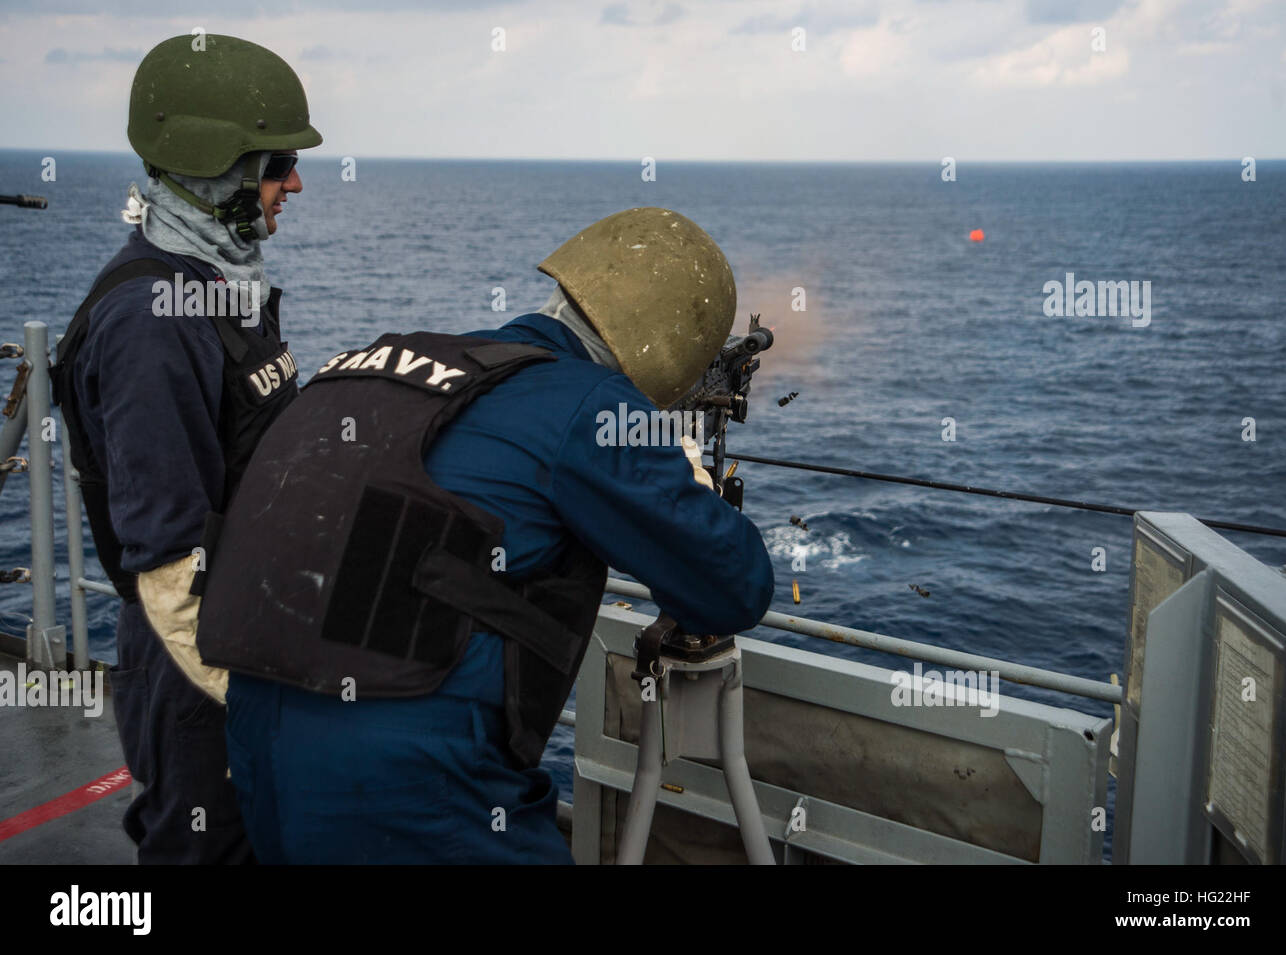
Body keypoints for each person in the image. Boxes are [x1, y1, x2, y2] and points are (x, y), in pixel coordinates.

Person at [196, 206, 776, 864]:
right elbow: (736, 585)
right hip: (409, 773)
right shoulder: (591, 405)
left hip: (258, 747)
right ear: (666, 350)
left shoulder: (382, 364)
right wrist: (683, 472)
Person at [51, 34, 322, 863]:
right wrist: (257, 701)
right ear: (220, 168)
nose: (296, 183)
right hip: (195, 668)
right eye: (277, 164)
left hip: (250, 630)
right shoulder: (152, 321)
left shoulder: (219, 287)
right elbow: (168, 565)